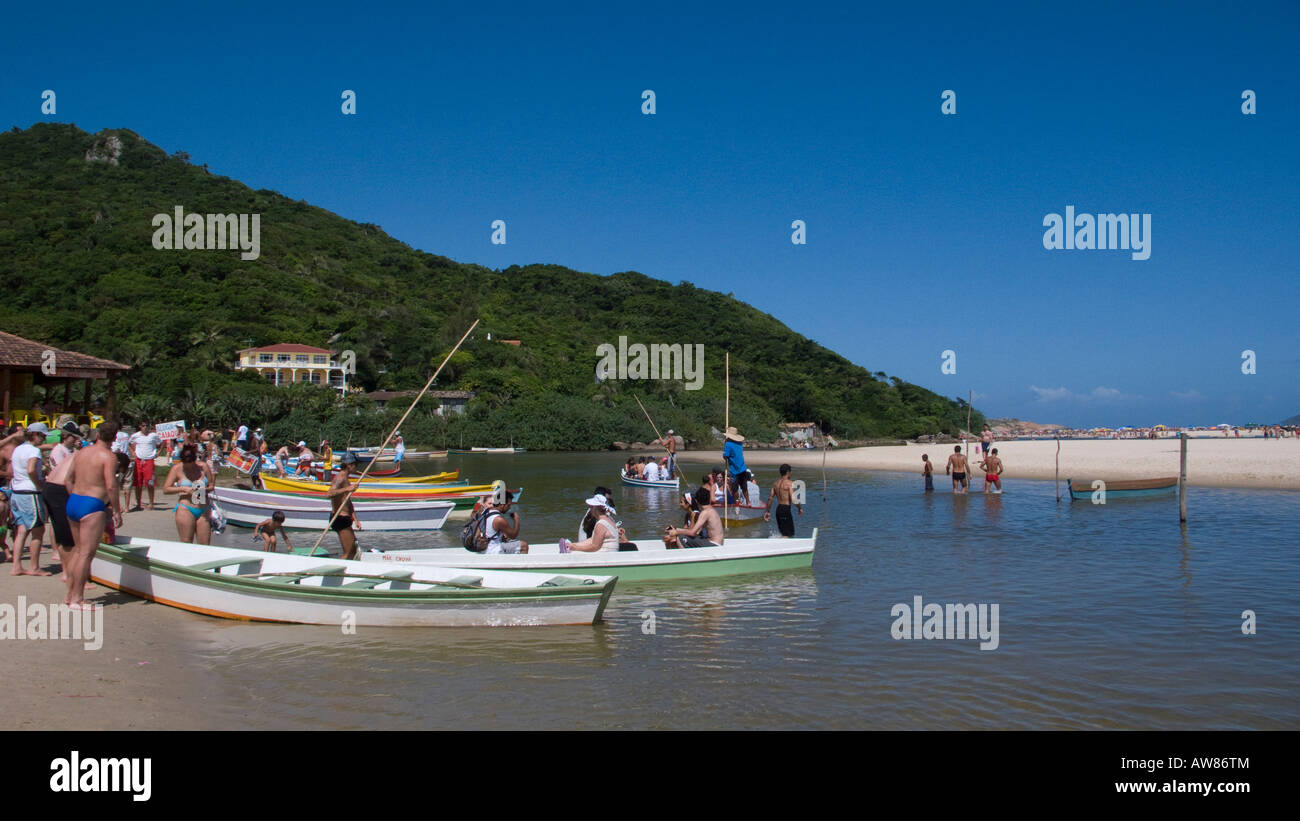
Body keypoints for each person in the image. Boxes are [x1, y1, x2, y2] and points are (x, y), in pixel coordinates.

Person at [63, 423, 122, 607]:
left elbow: (67, 479)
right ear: (114, 438)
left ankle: (69, 595)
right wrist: (117, 509)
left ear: (97, 434)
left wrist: (75, 496)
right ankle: (77, 598)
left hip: (74, 500)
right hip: (92, 504)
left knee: (77, 551)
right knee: (86, 554)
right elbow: (111, 485)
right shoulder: (108, 457)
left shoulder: (82, 452)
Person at [9, 422, 51, 576]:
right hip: (30, 492)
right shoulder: (33, 451)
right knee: (38, 530)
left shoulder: (18, 449)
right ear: (35, 434)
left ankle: (17, 566)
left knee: (21, 530)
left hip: (17, 491)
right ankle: (34, 567)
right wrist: (39, 484)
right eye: (42, 435)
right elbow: (31, 469)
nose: (44, 439)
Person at [163, 442, 214, 544]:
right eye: (186, 465)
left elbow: (212, 486)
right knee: (186, 543)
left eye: (191, 464)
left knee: (205, 544)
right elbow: (166, 489)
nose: (189, 467)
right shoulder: (177, 469)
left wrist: (204, 489)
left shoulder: (203, 467)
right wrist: (184, 489)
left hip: (203, 508)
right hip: (186, 508)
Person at [326, 452, 364, 559]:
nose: (357, 467)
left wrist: (355, 519)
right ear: (348, 465)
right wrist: (348, 489)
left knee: (354, 551)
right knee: (349, 553)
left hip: (346, 518)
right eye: (355, 465)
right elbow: (329, 494)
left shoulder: (346, 479)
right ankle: (337, 572)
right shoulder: (340, 478)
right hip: (339, 518)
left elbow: (347, 501)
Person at [128, 422, 162, 511]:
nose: (145, 427)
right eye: (143, 426)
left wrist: (158, 452)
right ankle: (138, 503)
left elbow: (161, 443)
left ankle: (151, 503)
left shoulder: (153, 435)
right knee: (138, 483)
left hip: (149, 460)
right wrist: (132, 452)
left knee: (150, 483)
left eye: (147, 425)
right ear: (140, 426)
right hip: (139, 460)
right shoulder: (136, 435)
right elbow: (129, 443)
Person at [762, 463, 802, 537]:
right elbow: (793, 498)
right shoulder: (790, 483)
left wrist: (767, 511)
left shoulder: (775, 484)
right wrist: (799, 508)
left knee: (784, 534)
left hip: (778, 510)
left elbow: (770, 498)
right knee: (789, 534)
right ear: (788, 472)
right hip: (785, 510)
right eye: (790, 472)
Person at [723, 427, 747, 497]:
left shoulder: (728, 444)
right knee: (744, 487)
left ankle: (736, 501)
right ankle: (748, 502)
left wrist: (725, 445)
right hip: (743, 468)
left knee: (734, 488)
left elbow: (725, 457)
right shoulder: (740, 443)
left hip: (734, 469)